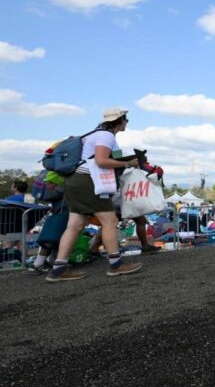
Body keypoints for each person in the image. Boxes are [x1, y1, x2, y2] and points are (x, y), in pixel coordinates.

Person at [45, 108, 143, 282]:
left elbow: (105, 159)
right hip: (88, 181)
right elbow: (101, 161)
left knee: (75, 224)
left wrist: (124, 161)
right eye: (126, 120)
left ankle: (58, 269)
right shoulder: (107, 136)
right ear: (120, 121)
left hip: (74, 180)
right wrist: (128, 163)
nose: (127, 123)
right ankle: (116, 264)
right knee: (110, 221)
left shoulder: (94, 134)